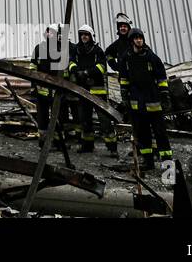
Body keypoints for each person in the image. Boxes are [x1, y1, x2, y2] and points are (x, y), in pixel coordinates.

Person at [124, 27, 173, 172]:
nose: (139, 40)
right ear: (132, 41)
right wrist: (125, 95)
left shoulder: (152, 58)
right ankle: (148, 162)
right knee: (143, 135)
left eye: (141, 38)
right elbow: (124, 79)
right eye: (136, 38)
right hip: (137, 105)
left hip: (154, 104)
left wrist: (164, 96)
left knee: (161, 135)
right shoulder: (128, 59)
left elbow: (162, 79)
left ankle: (167, 166)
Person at [30, 23, 75, 152]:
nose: (50, 34)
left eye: (52, 32)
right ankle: (43, 142)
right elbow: (32, 68)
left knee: (60, 117)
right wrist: (33, 86)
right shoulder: (39, 48)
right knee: (42, 117)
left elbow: (65, 70)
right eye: (48, 32)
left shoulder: (61, 50)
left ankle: (58, 142)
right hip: (42, 90)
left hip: (58, 91)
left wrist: (66, 86)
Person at [73, 24, 117, 155]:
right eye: (82, 35)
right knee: (84, 119)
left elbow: (102, 67)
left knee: (104, 121)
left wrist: (86, 72)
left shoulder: (97, 51)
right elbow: (71, 62)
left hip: (98, 92)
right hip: (83, 90)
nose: (84, 37)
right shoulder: (76, 50)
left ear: (91, 36)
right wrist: (76, 71)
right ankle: (87, 145)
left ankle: (112, 148)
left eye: (86, 35)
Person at [105, 12, 135, 115]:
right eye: (121, 26)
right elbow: (108, 53)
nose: (122, 28)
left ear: (128, 28)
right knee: (127, 101)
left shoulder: (134, 41)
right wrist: (115, 66)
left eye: (124, 26)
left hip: (137, 77)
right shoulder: (117, 45)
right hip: (123, 78)